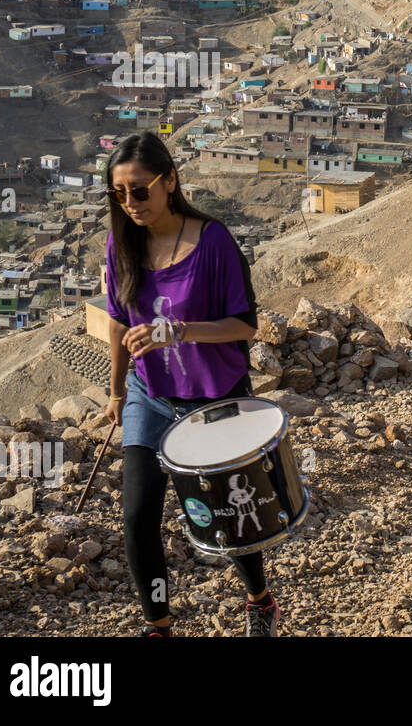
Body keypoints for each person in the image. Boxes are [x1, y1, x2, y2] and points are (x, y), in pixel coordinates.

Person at [103, 132, 278, 637]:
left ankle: (259, 601)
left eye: (140, 191)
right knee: (138, 517)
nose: (130, 203)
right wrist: (117, 392)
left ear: (170, 181)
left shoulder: (213, 241)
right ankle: (158, 622)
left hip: (215, 400)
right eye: (118, 194)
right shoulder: (122, 245)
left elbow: (244, 326)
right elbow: (118, 323)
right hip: (150, 396)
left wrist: (178, 332)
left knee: (225, 518)